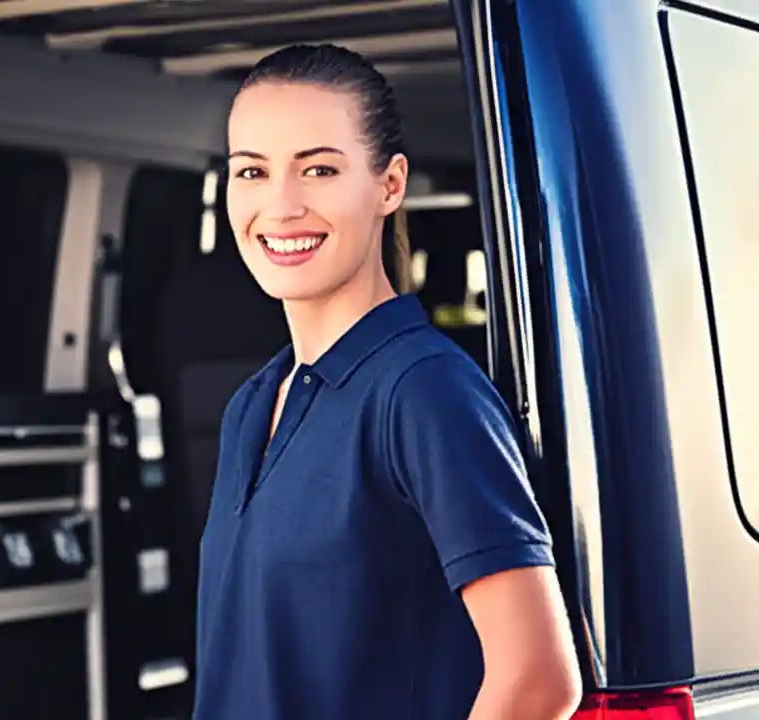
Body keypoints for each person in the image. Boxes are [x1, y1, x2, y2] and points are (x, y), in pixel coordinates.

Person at [193, 44, 582, 720]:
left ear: (389, 185)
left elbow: (539, 681)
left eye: (318, 168)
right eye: (252, 172)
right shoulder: (251, 406)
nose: (280, 206)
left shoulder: (426, 393)